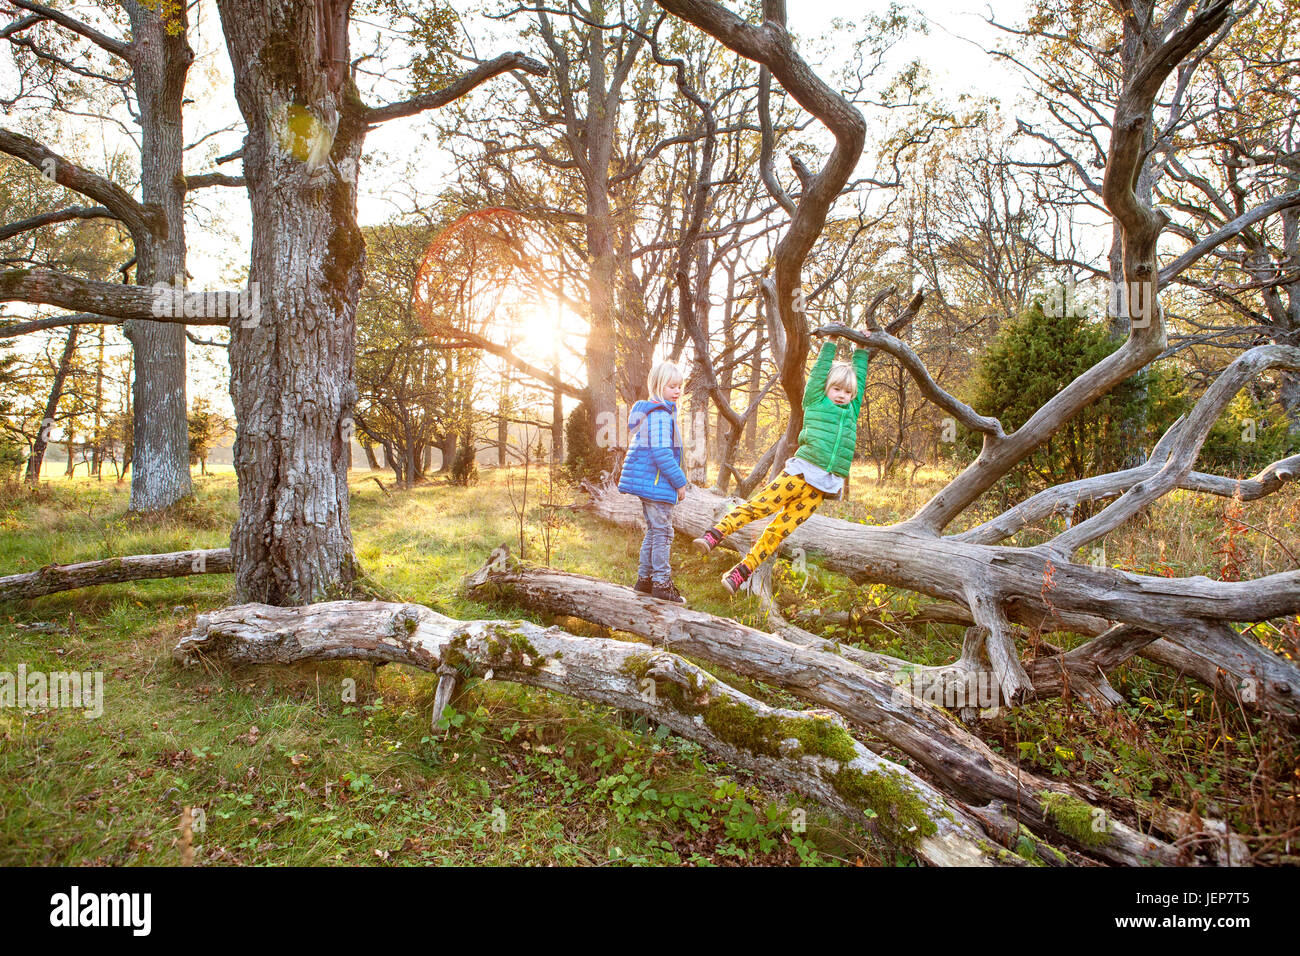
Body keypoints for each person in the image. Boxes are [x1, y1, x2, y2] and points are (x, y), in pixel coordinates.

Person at [695, 331, 870, 594]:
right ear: (825, 388)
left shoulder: (852, 411)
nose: (842, 395)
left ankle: (740, 573)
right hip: (798, 475)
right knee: (759, 508)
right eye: (837, 388)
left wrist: (861, 349)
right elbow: (820, 372)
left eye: (847, 391)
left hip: (820, 489)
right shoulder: (816, 400)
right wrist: (831, 342)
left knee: (778, 532)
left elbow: (861, 380)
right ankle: (716, 533)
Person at [618, 361, 690, 603]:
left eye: (680, 386)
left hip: (650, 483)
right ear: (659, 387)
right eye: (672, 386)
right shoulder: (660, 414)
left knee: (655, 530)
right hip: (656, 484)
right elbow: (661, 453)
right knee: (663, 533)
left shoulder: (659, 412)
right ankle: (661, 583)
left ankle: (644, 580)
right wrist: (680, 483)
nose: (677, 391)